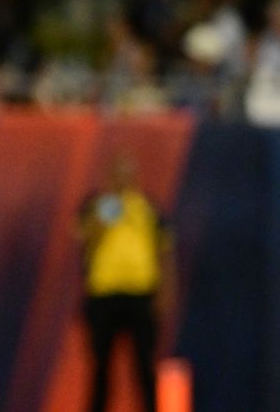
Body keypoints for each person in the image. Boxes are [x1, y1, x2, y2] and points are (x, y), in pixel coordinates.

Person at [78, 157, 175, 412]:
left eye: (127, 174)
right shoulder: (98, 205)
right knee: (101, 367)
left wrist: (165, 295)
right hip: (104, 296)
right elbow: (85, 239)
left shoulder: (147, 207)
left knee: (144, 365)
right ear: (110, 175)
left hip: (140, 296)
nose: (123, 179)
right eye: (118, 174)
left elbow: (164, 251)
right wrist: (108, 210)